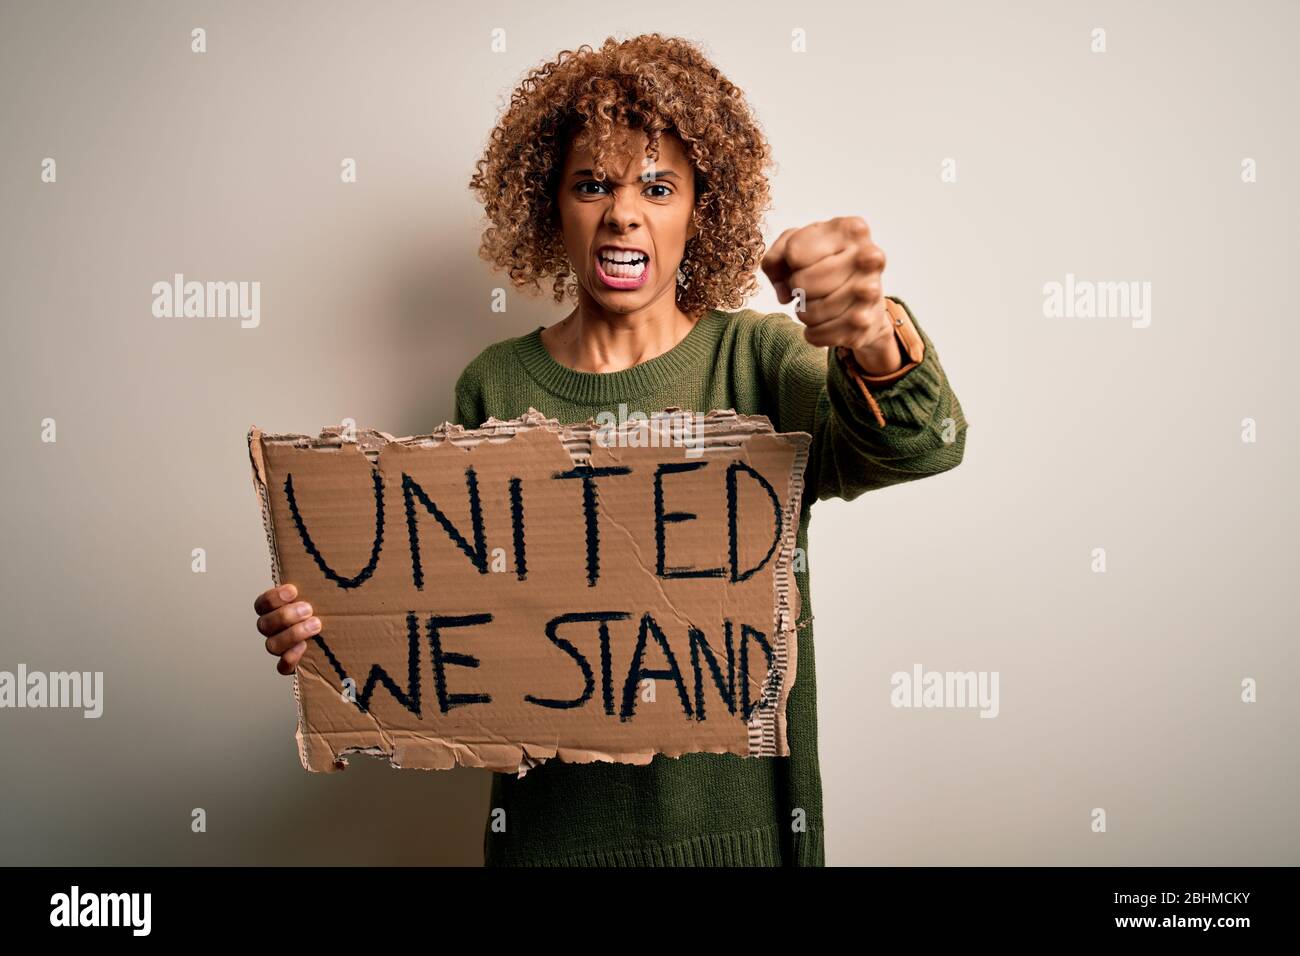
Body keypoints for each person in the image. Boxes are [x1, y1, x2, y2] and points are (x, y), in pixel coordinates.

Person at [254, 33, 968, 866]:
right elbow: (465, 633)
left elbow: (923, 447)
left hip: (747, 845)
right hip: (552, 847)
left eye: (657, 187)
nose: (623, 212)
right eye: (593, 184)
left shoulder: (761, 363)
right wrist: (340, 640)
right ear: (550, 205)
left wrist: (873, 334)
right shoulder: (494, 385)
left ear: (701, 208)